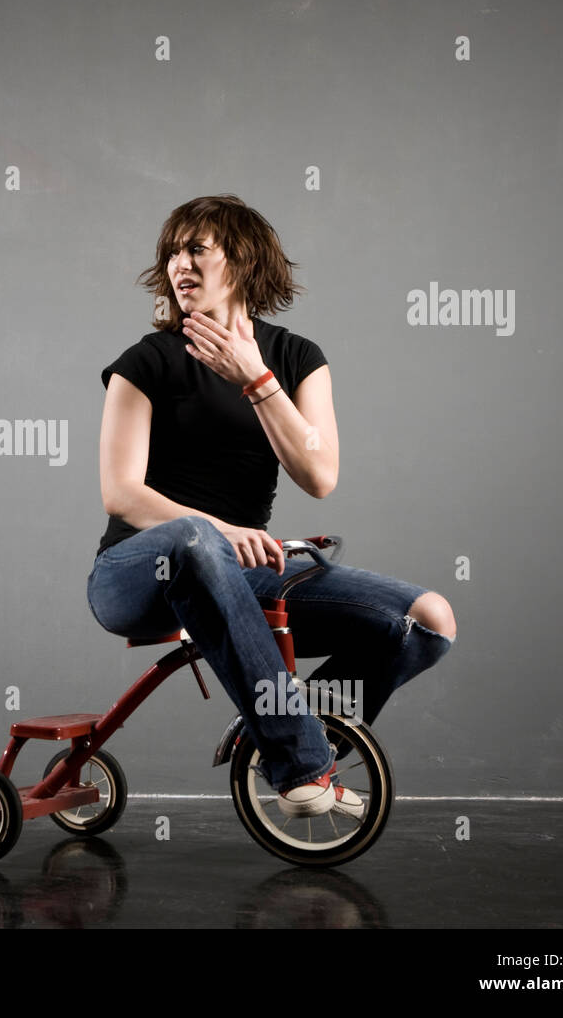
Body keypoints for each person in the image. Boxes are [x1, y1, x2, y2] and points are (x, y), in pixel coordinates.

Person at [86, 194, 456, 818]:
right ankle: (300, 764)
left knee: (428, 618)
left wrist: (255, 379)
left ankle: (276, 725)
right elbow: (120, 493)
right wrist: (225, 530)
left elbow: (319, 474)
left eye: (196, 248)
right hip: (138, 572)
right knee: (197, 543)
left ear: (242, 260)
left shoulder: (297, 360)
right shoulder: (145, 363)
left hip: (241, 573)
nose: (179, 264)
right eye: (171, 252)